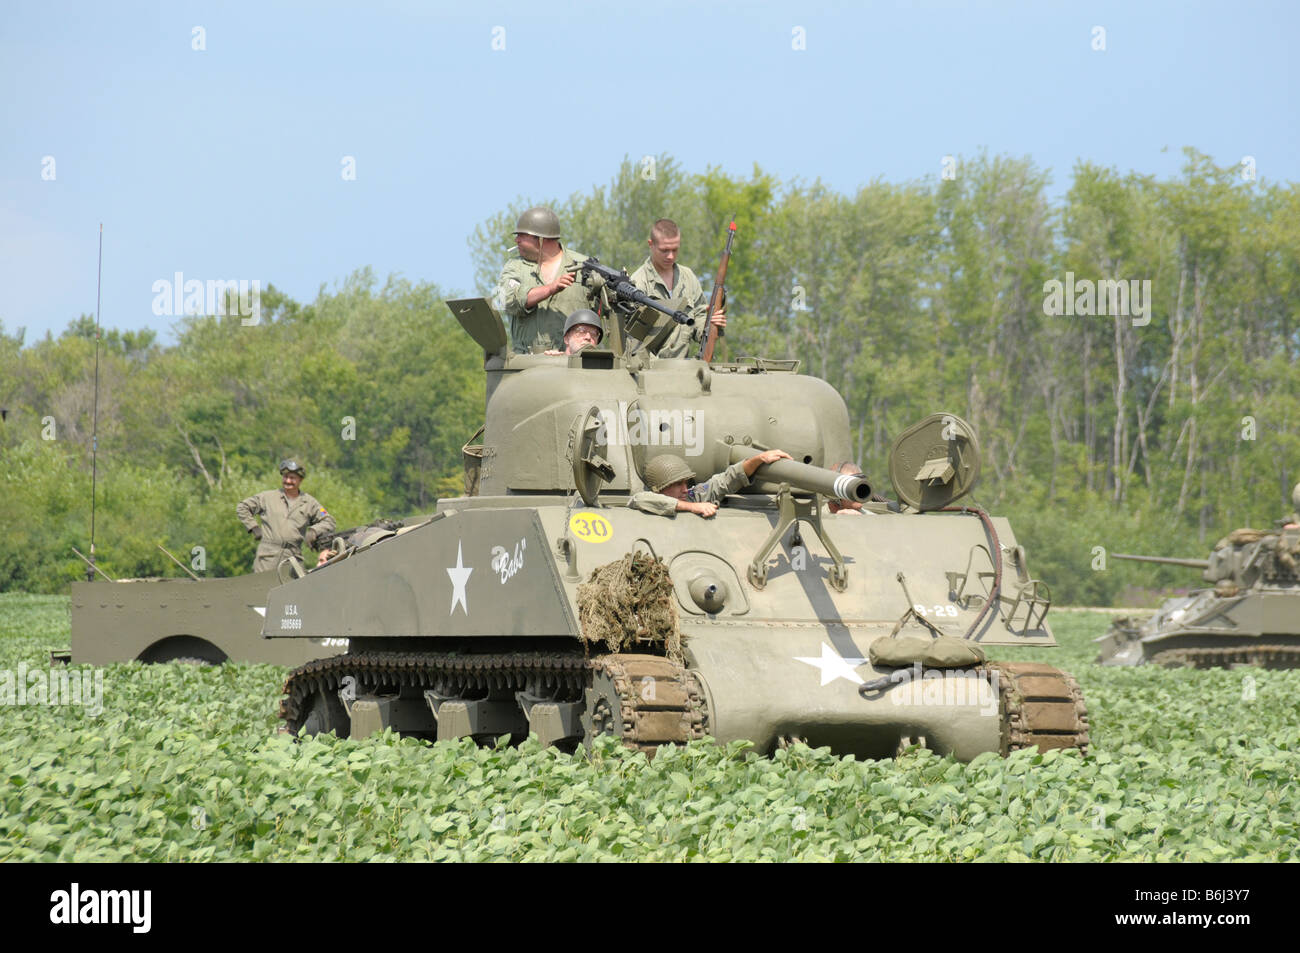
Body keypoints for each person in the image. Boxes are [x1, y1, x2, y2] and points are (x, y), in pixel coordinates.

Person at [493, 207, 599, 353]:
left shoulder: (585, 267)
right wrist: (550, 289)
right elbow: (509, 301)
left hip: (575, 365)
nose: (516, 240)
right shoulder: (515, 268)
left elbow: (605, 316)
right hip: (527, 365)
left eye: (522, 235)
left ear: (541, 239)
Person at [627, 219, 726, 358]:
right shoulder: (638, 284)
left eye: (675, 249)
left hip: (685, 368)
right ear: (651, 244)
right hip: (650, 371)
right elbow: (634, 342)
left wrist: (711, 325)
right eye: (664, 250)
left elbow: (700, 315)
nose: (671, 256)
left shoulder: (688, 277)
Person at [629, 449, 792, 518]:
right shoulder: (646, 500)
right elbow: (638, 499)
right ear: (659, 489)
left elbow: (726, 480)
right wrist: (692, 507)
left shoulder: (693, 496)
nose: (685, 490)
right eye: (678, 484)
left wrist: (758, 459)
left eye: (686, 483)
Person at [236, 459, 336, 572]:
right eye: (285, 477)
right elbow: (242, 507)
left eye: (292, 478)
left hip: (293, 558)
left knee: (293, 588)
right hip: (267, 557)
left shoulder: (309, 503)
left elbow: (329, 520)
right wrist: (253, 527)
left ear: (300, 480)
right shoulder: (267, 498)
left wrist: (314, 531)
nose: (288, 481)